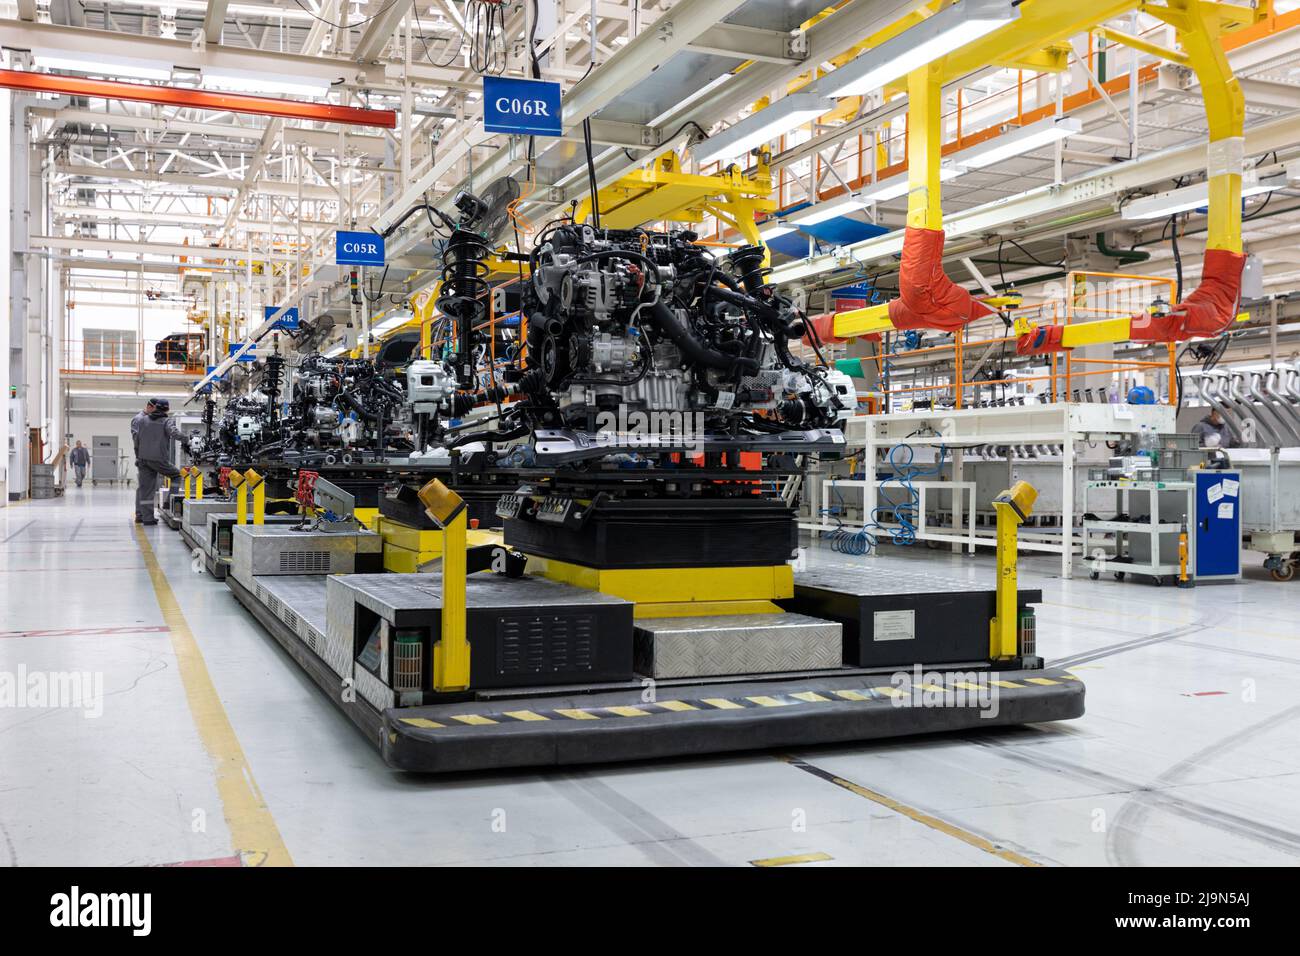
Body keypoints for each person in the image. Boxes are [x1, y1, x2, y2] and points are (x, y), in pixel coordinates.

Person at [132, 398, 183, 525]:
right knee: (176, 475)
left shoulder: (143, 420)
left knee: (146, 489)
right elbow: (174, 433)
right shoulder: (166, 421)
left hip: (143, 459)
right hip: (158, 459)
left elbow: (136, 441)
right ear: (167, 409)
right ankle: (168, 503)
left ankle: (147, 518)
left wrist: (138, 457)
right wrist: (188, 439)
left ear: (155, 407)